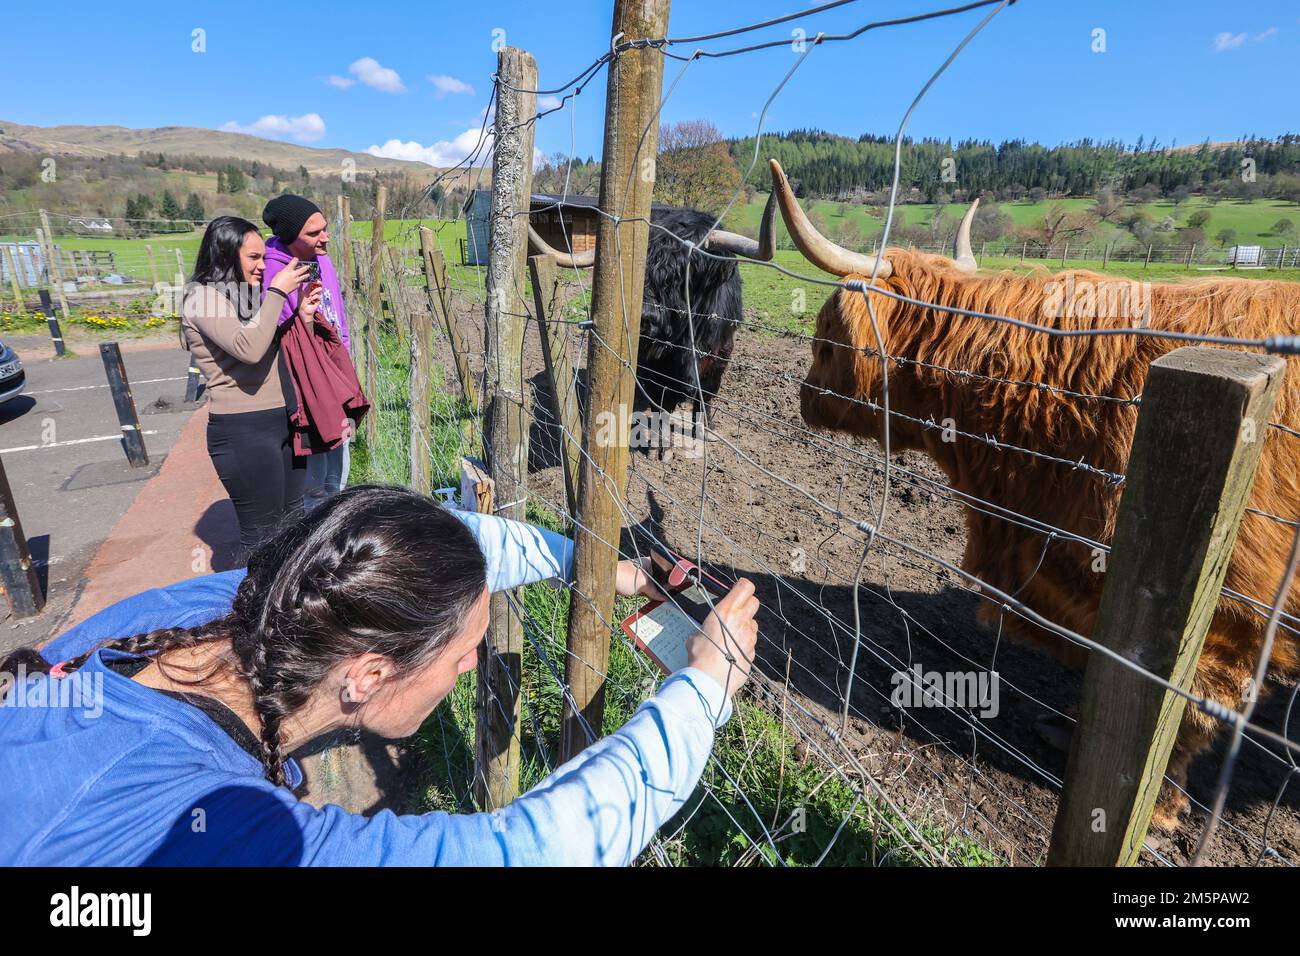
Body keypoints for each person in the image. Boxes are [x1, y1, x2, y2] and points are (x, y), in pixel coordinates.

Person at [0, 486, 760, 865]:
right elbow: (523, 851)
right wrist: (703, 690)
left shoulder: (223, 608)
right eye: (463, 650)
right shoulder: (224, 831)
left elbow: (407, 551)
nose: (473, 663)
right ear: (366, 675)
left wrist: (598, 570)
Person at [181, 216, 317, 560]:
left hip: (282, 417)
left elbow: (272, 346)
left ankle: (286, 605)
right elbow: (249, 349)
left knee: (292, 525)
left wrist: (302, 316)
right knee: (262, 537)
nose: (261, 266)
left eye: (262, 257)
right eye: (252, 258)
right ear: (226, 255)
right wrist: (277, 292)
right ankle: (247, 607)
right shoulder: (202, 299)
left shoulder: (248, 296)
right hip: (243, 429)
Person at [261, 195, 355, 508]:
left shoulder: (320, 261)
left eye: (324, 228)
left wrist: (344, 360)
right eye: (314, 233)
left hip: (333, 371)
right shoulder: (274, 272)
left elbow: (334, 312)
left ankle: (337, 515)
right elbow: (278, 332)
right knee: (315, 472)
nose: (325, 237)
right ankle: (314, 533)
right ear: (289, 237)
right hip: (306, 382)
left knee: (338, 464)